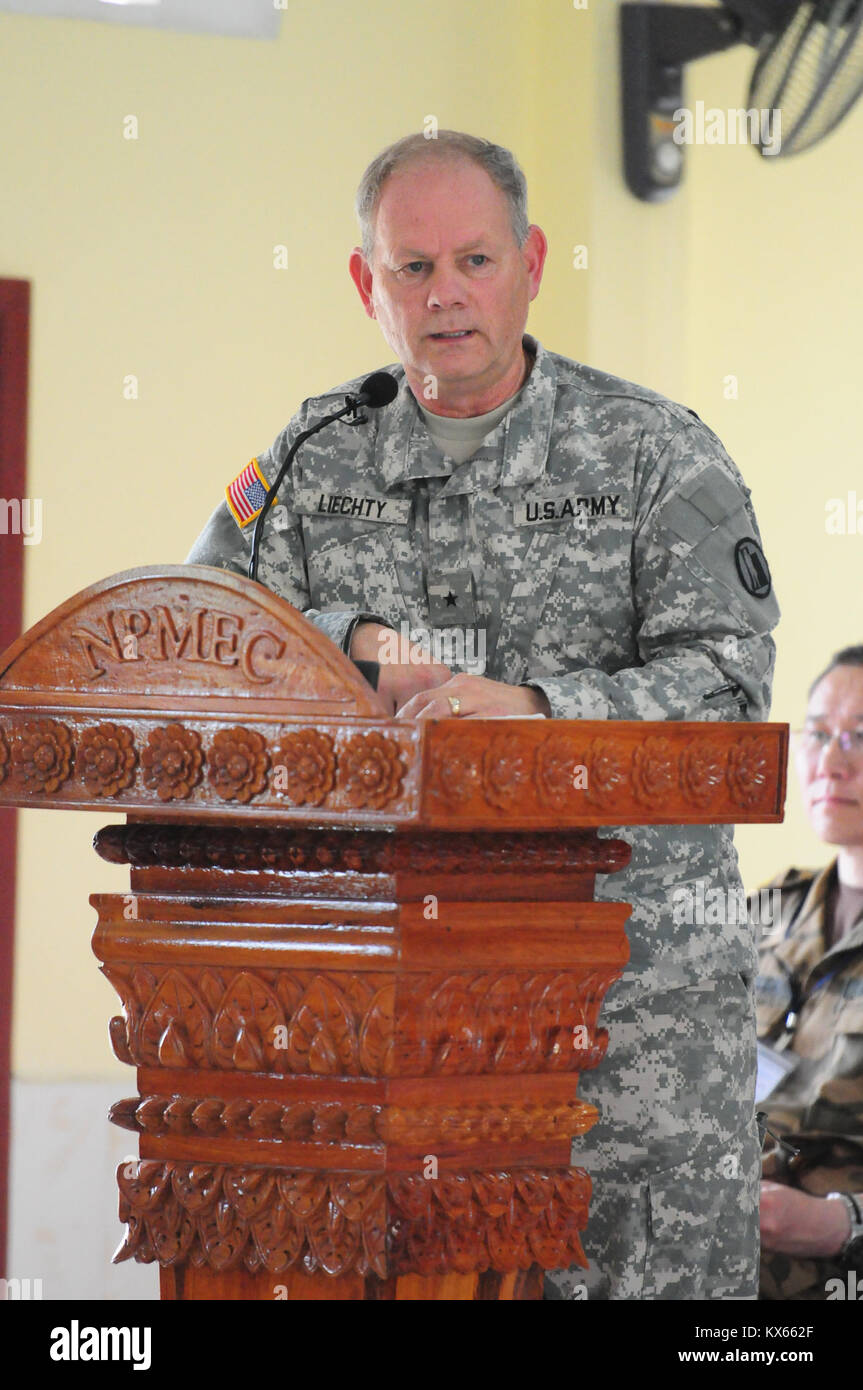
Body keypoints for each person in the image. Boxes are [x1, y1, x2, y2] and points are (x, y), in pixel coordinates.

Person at [186, 130, 780, 1299]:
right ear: (368, 284)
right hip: (386, 1030)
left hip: (631, 1031)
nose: (444, 293)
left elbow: (727, 687)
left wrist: (536, 708)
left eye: (473, 259)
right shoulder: (307, 457)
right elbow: (203, 633)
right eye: (412, 268)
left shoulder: (655, 453)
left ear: (531, 263)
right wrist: (353, 638)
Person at [754, 646, 863, 1299]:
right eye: (817, 734)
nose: (830, 760)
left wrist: (834, 1225)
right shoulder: (767, 912)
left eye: (860, 737)